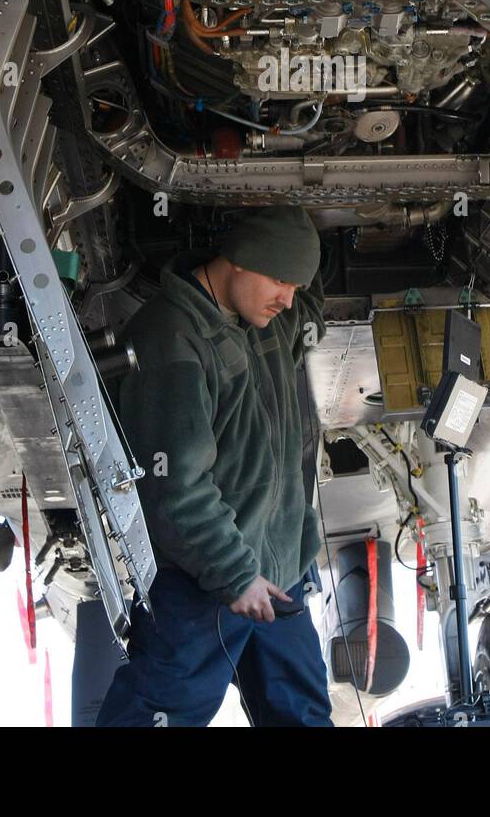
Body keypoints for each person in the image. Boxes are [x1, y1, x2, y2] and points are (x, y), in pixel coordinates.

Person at [95, 205, 333, 727]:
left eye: (296, 285)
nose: (287, 298)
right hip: (209, 581)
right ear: (240, 260)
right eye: (280, 280)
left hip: (280, 576)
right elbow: (174, 488)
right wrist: (235, 574)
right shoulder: (169, 338)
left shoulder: (265, 321)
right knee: (162, 713)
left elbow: (306, 307)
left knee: (304, 716)